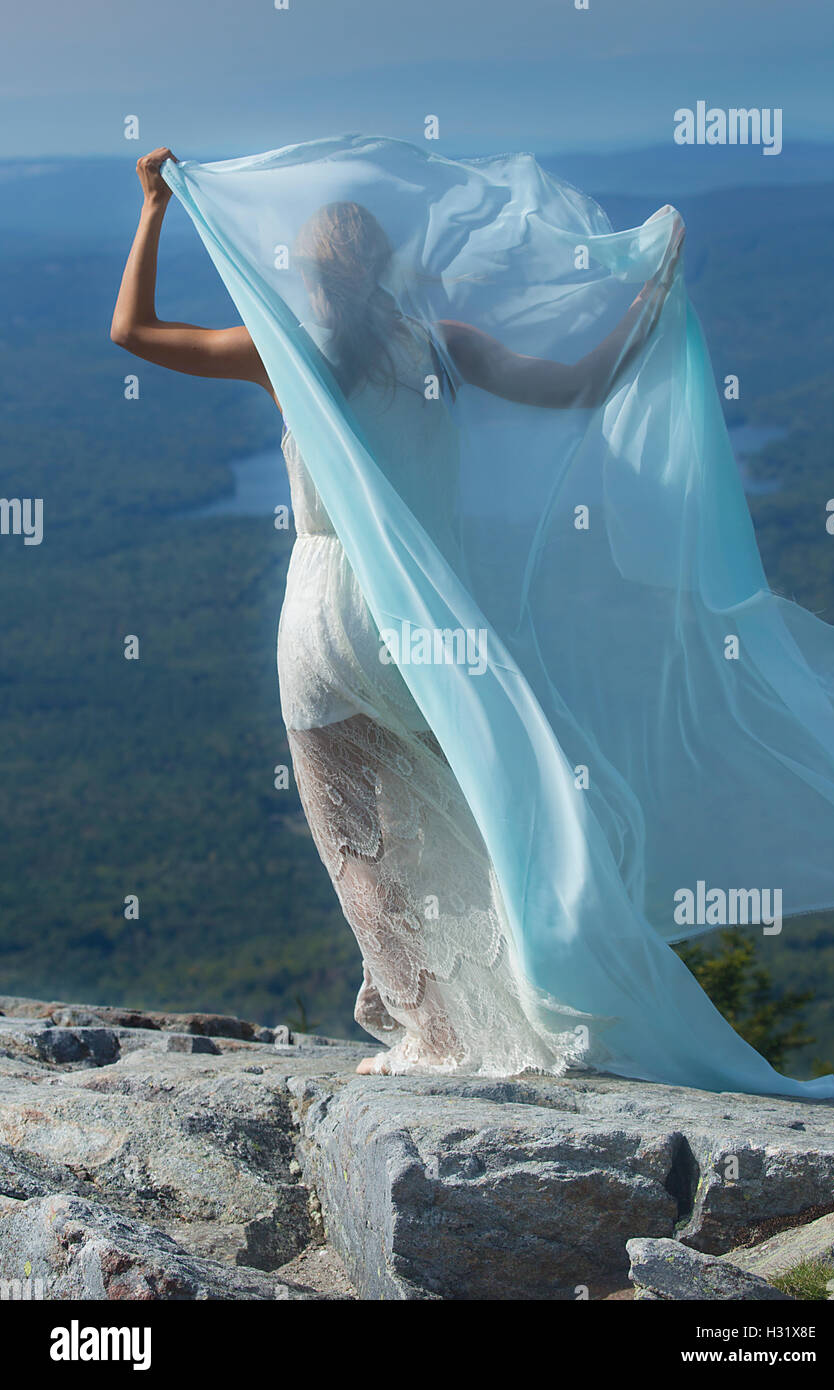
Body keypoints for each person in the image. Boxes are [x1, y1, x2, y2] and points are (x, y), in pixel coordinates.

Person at [111, 147, 684, 1076]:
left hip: (318, 609)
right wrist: (647, 302)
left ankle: (436, 1031)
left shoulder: (283, 350)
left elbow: (131, 331)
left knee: (358, 844)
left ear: (304, 270)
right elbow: (576, 384)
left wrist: (152, 210)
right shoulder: (441, 343)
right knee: (479, 809)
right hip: (415, 609)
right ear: (385, 266)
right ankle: (544, 999)